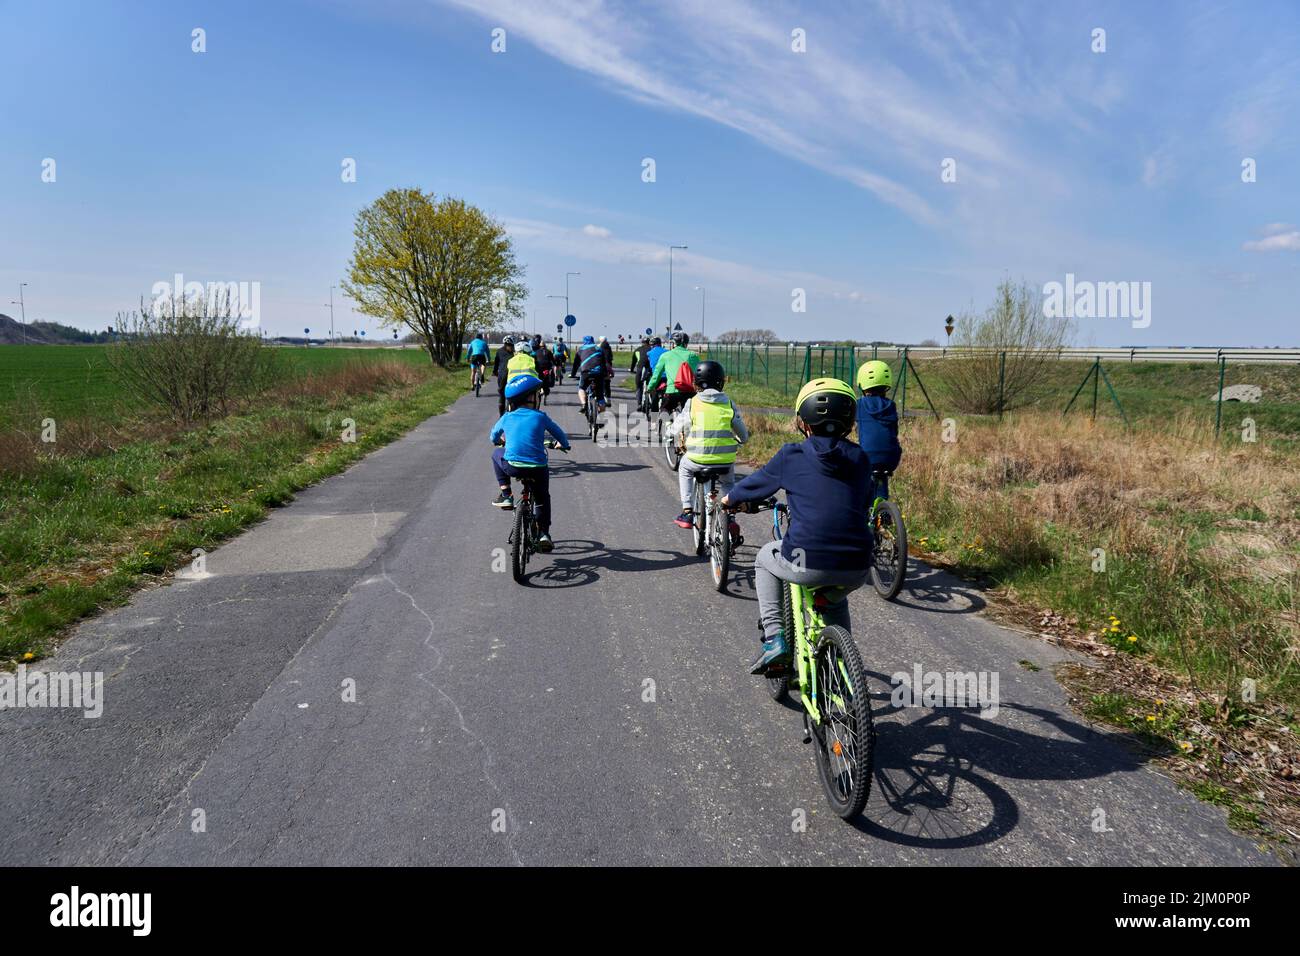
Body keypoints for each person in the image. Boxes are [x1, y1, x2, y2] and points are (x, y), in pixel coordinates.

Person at [722, 378, 874, 675]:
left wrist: (730, 500)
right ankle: (842, 670)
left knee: (766, 558)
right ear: (849, 422)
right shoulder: (861, 458)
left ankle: (775, 638)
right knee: (833, 596)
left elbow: (755, 484)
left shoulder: (792, 455)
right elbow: (864, 500)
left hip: (808, 559)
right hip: (857, 566)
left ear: (802, 421)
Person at [490, 373, 571, 553]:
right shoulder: (540, 417)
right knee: (542, 498)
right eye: (537, 394)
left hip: (513, 467)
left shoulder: (506, 417)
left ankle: (506, 494)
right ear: (531, 398)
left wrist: (501, 440)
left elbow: (493, 436)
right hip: (538, 469)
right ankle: (543, 533)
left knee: (497, 454)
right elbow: (560, 435)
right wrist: (564, 445)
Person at [669, 361, 747, 545]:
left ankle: (687, 512)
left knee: (685, 469)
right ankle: (731, 517)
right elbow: (742, 434)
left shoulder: (693, 402)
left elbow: (679, 427)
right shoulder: (729, 403)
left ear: (697, 382)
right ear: (721, 382)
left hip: (696, 458)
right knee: (728, 482)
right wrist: (741, 441)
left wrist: (670, 432)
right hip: (725, 460)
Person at [854, 360, 903, 501]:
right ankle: (884, 510)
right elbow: (895, 431)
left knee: (862, 478)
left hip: (867, 456)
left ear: (862, 384)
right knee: (881, 474)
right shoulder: (891, 405)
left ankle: (865, 510)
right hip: (891, 457)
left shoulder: (860, 404)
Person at [646, 331, 701, 421]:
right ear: (686, 344)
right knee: (691, 413)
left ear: (674, 343)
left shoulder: (665, 356)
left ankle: (668, 427)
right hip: (689, 391)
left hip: (672, 391)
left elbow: (656, 375)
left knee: (665, 409)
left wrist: (650, 387)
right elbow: (698, 374)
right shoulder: (693, 355)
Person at [571, 334, 607, 420]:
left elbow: (576, 364)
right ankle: (601, 419)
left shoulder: (580, 349)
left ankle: (584, 405)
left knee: (581, 389)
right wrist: (605, 374)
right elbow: (603, 363)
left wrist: (573, 374)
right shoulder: (599, 349)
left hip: (586, 373)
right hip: (598, 374)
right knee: (600, 397)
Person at [492, 336, 516, 415]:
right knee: (513, 395)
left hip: (501, 376)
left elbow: (496, 364)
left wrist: (495, 372)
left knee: (502, 395)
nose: (511, 347)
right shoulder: (514, 352)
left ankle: (501, 416)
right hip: (511, 376)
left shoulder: (499, 351)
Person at [644, 337, 667, 411]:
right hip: (667, 377)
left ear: (652, 345)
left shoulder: (649, 353)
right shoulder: (667, 352)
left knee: (654, 398)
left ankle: (654, 420)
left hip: (657, 377)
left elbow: (648, 366)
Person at [630, 336, 653, 408]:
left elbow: (633, 362)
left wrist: (631, 370)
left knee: (639, 386)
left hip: (640, 369)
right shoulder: (651, 349)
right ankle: (652, 401)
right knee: (652, 386)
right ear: (649, 343)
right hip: (649, 370)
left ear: (642, 343)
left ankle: (639, 404)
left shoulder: (637, 350)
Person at [534, 339, 556, 404]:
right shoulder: (549, 352)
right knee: (547, 380)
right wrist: (555, 364)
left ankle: (540, 390)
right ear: (545, 346)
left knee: (539, 379)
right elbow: (552, 360)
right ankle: (545, 393)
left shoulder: (536, 352)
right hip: (546, 369)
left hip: (539, 369)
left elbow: (534, 360)